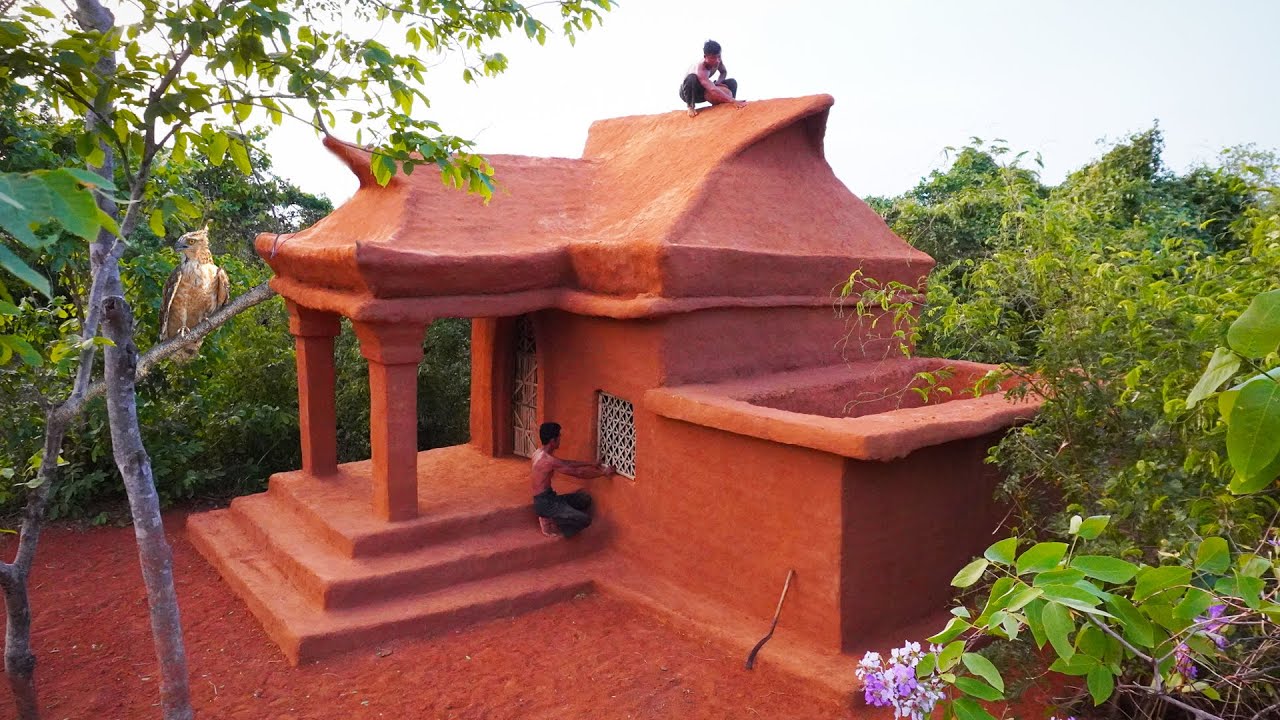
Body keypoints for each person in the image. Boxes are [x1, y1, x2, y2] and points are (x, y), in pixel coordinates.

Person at [530, 422, 613, 538]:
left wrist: (592, 463)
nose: (560, 439)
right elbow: (578, 473)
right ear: (553, 441)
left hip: (549, 498)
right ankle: (553, 522)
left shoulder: (538, 453)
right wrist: (603, 473)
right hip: (545, 504)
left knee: (584, 499)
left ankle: (555, 514)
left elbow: (566, 463)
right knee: (585, 520)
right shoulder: (547, 460)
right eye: (559, 437)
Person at [679, 39, 746, 117]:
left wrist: (718, 82)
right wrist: (732, 100)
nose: (717, 60)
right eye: (713, 58)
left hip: (705, 88)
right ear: (705, 57)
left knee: (732, 82)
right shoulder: (700, 68)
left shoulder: (718, 61)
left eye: (719, 56)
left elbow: (723, 72)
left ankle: (731, 106)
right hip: (690, 92)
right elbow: (712, 89)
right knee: (691, 78)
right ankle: (690, 106)